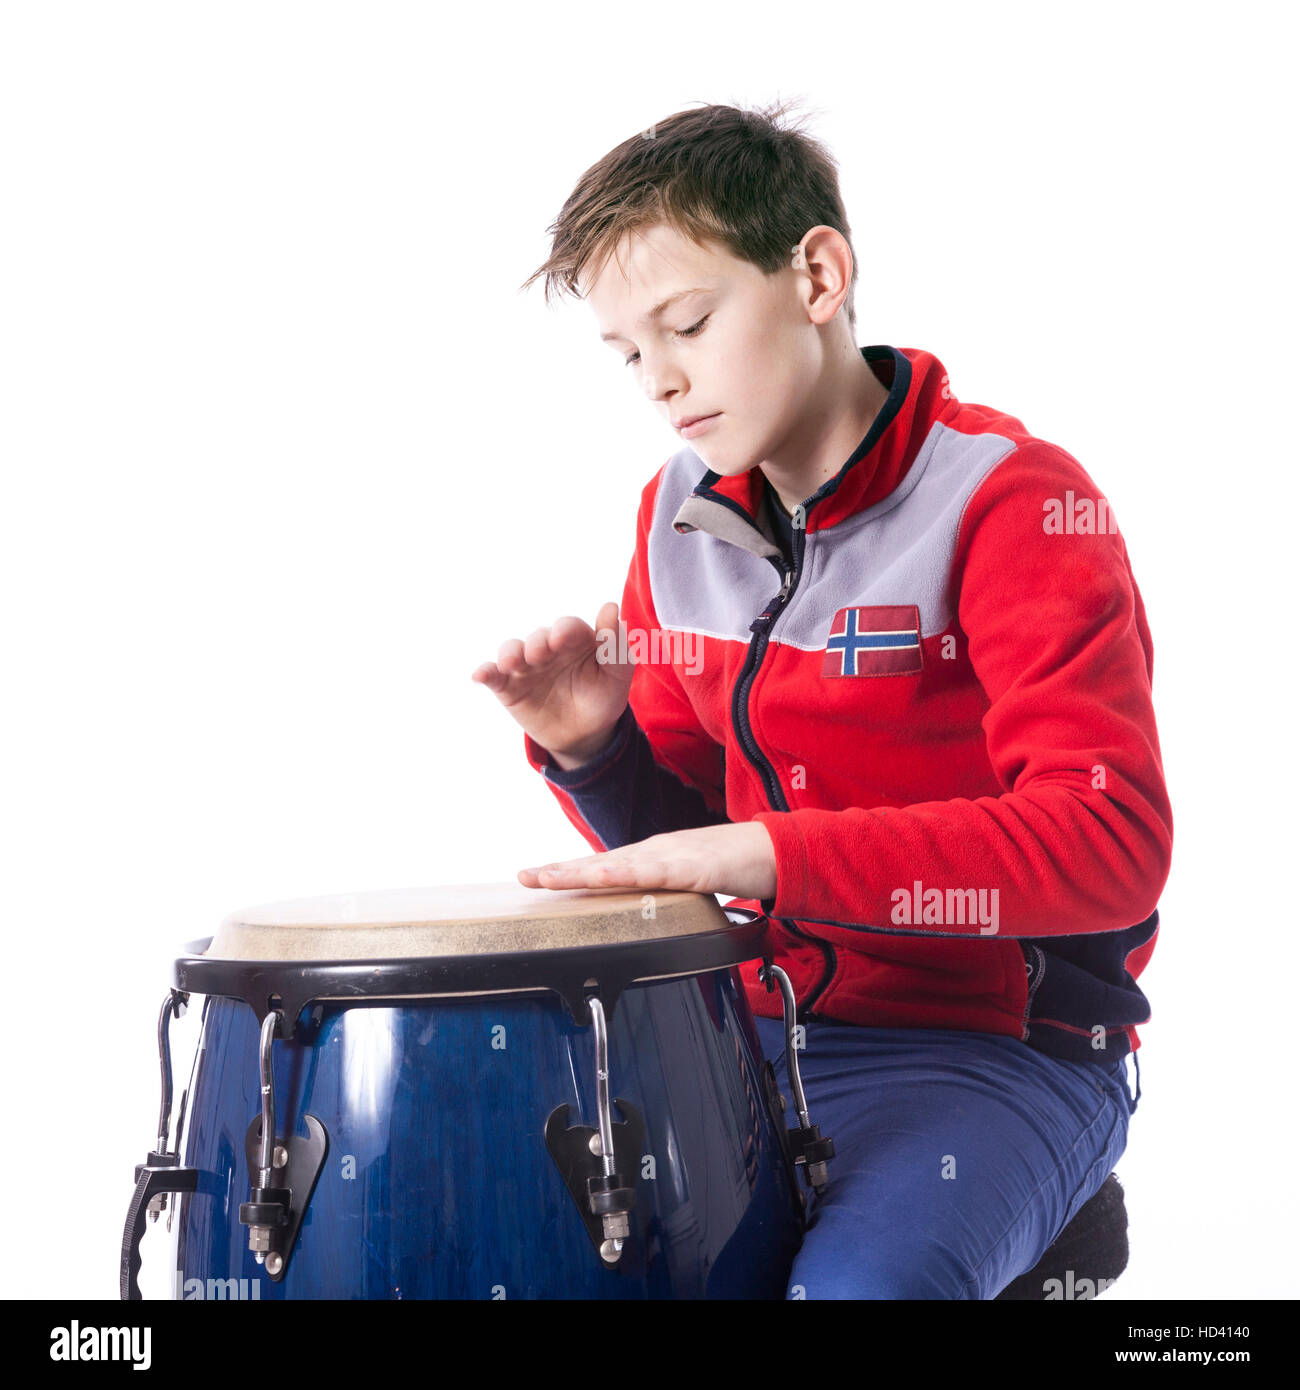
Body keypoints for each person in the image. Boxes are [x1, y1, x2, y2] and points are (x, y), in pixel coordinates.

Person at [471, 99, 1172, 1299]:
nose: (659, 378)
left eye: (686, 323)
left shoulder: (1017, 505)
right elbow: (697, 844)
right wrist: (594, 750)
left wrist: (777, 854)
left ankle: (1046, 1213)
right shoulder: (672, 516)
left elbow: (1109, 842)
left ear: (816, 272)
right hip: (749, 1040)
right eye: (629, 352)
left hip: (998, 1054)